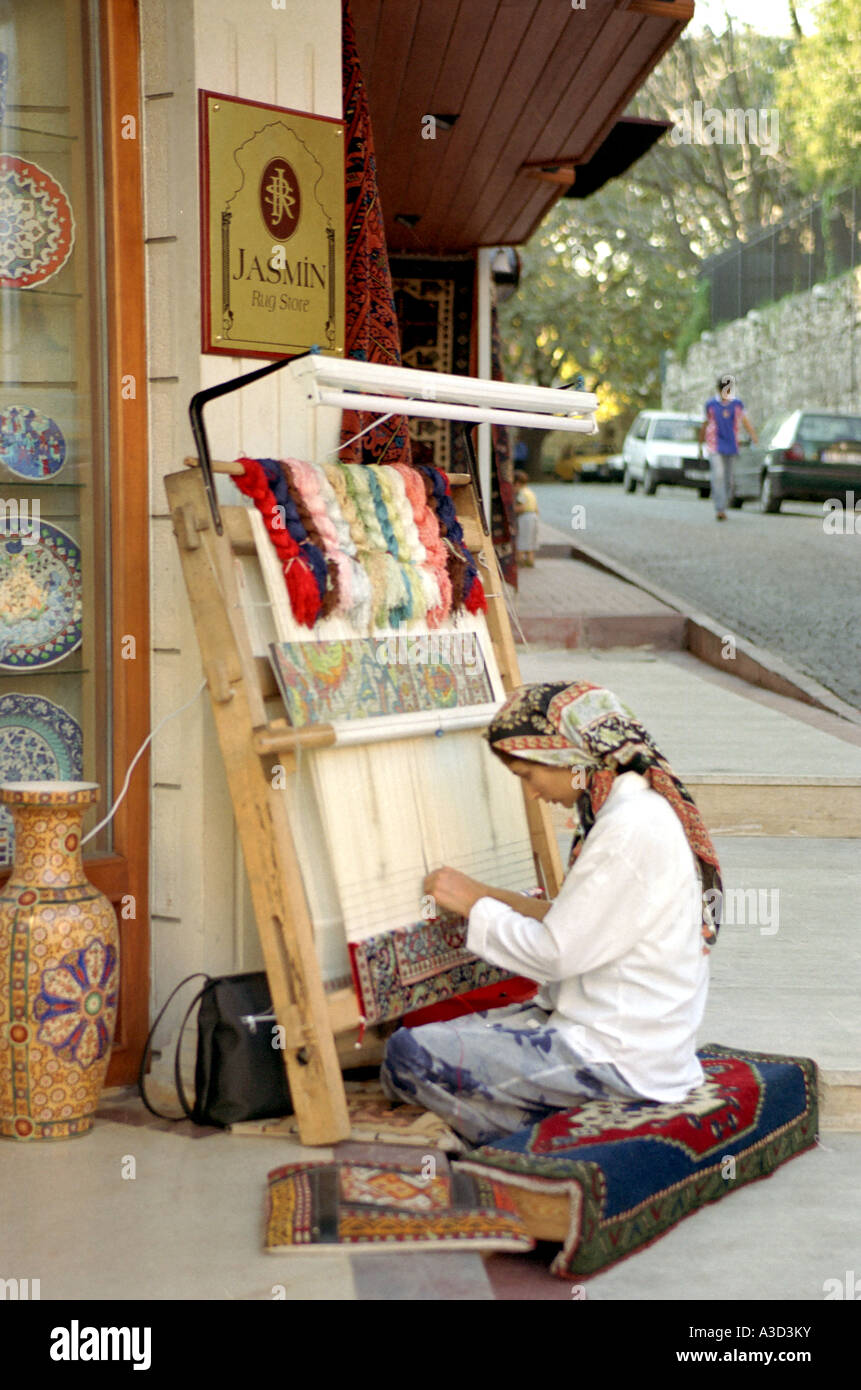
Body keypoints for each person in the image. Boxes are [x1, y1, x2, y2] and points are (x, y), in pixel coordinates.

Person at [380, 680, 723, 1146]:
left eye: (527, 774)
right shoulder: (636, 809)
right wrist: (487, 894)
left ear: (567, 757)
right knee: (430, 1031)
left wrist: (474, 905)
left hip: (616, 1056)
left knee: (407, 1054)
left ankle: (537, 1134)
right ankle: (536, 1109)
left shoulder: (628, 829)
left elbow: (555, 954)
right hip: (641, 1043)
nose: (533, 793)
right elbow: (576, 916)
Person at [699, 374, 758, 521]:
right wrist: (700, 444)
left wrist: (754, 436)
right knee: (718, 474)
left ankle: (723, 505)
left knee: (728, 479)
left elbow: (744, 421)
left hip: (731, 445)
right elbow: (705, 424)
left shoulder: (737, 404)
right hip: (714, 445)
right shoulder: (711, 405)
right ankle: (719, 508)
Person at [514, 468, 539, 567]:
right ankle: (530, 560)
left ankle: (519, 561)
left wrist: (512, 509)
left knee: (521, 540)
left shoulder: (521, 493)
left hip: (525, 517)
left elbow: (522, 507)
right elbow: (536, 508)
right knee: (531, 540)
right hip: (533, 516)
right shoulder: (530, 492)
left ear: (517, 484)